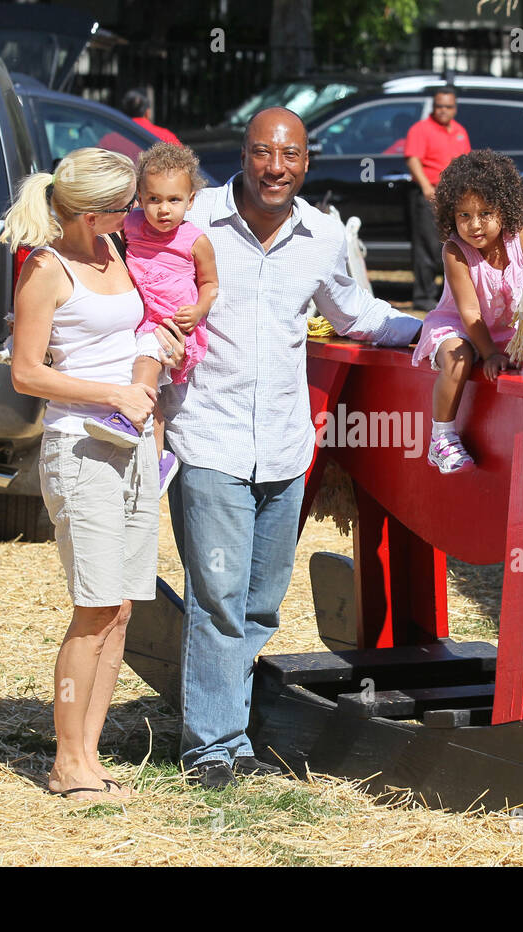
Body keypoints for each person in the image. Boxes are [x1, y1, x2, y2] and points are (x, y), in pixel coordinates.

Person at [163, 106, 420, 789]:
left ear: (306, 162)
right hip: (209, 436)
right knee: (217, 596)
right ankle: (212, 747)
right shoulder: (194, 221)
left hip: (282, 446)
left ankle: (228, 721)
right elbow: (142, 287)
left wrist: (430, 330)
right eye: (261, 153)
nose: (275, 168)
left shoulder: (323, 235)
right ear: (242, 155)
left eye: (290, 156)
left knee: (259, 603)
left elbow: (354, 314)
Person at [1, 147, 185, 801]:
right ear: (91, 214)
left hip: (132, 446)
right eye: (124, 206)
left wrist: (152, 357)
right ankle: (66, 761)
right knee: (94, 606)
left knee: (122, 608)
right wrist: (111, 395)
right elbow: (26, 372)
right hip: (80, 448)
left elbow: (129, 335)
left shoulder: (114, 253)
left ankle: (89, 756)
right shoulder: (47, 270)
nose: (135, 213)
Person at [85, 143, 217, 497]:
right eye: (153, 199)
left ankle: (129, 417)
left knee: (147, 357)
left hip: (175, 326)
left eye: (174, 200)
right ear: (139, 198)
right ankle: (158, 461)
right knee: (155, 398)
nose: (163, 210)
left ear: (190, 201)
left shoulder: (195, 240)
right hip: (142, 321)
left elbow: (210, 283)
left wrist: (200, 310)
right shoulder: (130, 225)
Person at [411, 149, 523, 474]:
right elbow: (469, 312)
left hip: (505, 331)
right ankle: (441, 437)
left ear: (505, 209)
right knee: (460, 358)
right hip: (457, 327)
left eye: (485, 213)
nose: (474, 225)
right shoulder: (455, 251)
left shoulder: (520, 238)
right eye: (463, 215)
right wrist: (491, 353)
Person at [403, 87, 470, 311]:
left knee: (450, 245)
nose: (443, 111)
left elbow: (465, 163)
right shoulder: (421, 129)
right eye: (439, 106)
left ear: (455, 108)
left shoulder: (460, 131)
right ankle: (424, 296)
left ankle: (447, 295)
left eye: (448, 107)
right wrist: (426, 187)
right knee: (427, 246)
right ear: (433, 107)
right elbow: (413, 160)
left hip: (455, 198)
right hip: (430, 194)